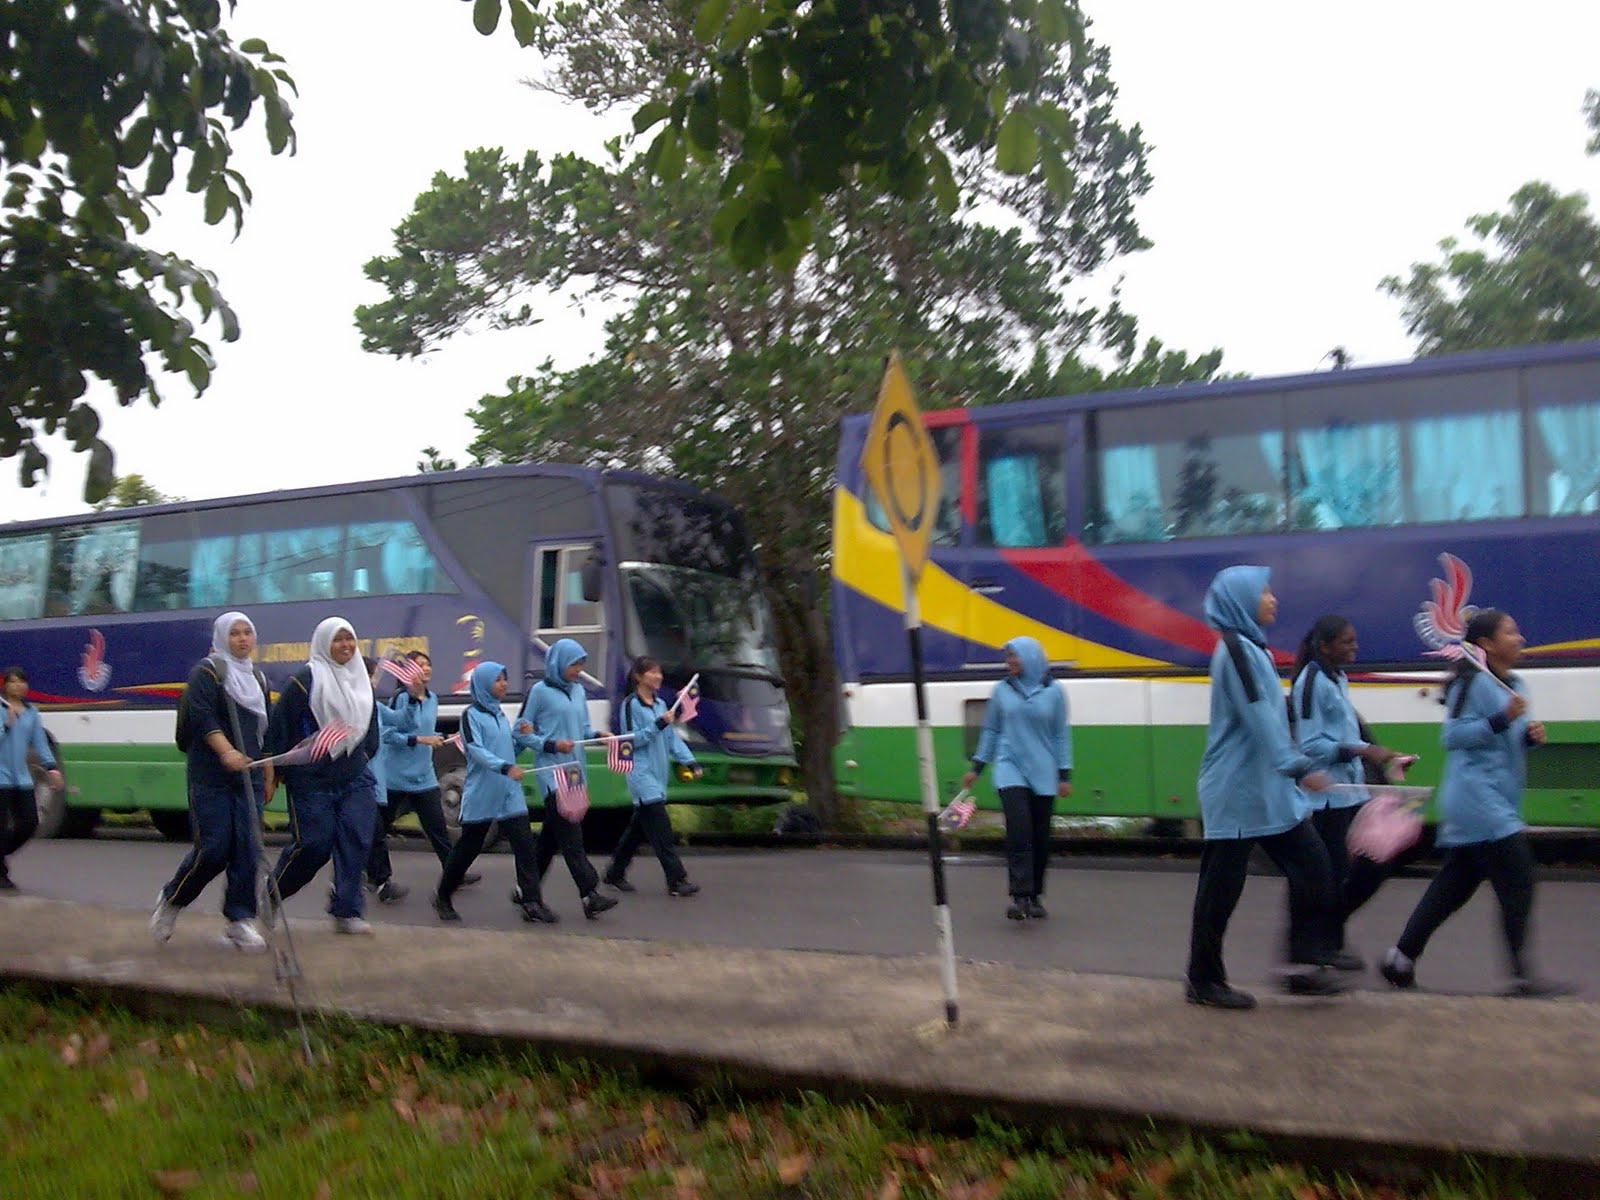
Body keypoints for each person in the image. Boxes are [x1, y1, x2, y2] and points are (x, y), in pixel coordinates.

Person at [1379, 609, 1574, 998]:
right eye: (1511, 632)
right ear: (1486, 644)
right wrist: (1502, 719)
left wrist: (1529, 736)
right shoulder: (1468, 684)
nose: (1519, 638)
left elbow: (1506, 738)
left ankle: (1400, 959)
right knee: (1518, 877)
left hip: (1496, 796)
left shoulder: (1516, 683)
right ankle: (1521, 976)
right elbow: (1453, 737)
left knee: (1454, 886)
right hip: (1476, 798)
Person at [1185, 566, 1344, 1010]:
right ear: (1241, 599)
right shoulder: (1236, 650)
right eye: (1265, 592)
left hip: (1265, 789)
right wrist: (1297, 766)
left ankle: (1303, 964)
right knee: (1220, 890)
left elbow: (1274, 717)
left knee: (1314, 867)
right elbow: (1259, 717)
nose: (1274, 598)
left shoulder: (1252, 649)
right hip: (1237, 790)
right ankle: (1203, 980)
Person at [1289, 615, 1410, 970]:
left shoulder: (1337, 677)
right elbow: (1311, 746)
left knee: (1368, 866)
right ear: (1325, 646)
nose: (1354, 648)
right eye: (1347, 642)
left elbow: (1346, 733)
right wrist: (1360, 751)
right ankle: (1320, 947)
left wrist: (1381, 754)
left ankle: (1329, 941)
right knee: (1330, 874)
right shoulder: (1311, 683)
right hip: (1327, 795)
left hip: (1352, 791)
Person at [149, 614, 273, 949]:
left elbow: (265, 732)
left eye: (248, 632)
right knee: (214, 849)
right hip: (211, 777)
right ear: (222, 637)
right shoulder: (207, 672)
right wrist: (227, 752)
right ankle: (173, 899)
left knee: (248, 848)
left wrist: (270, 775)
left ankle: (239, 919)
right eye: (234, 633)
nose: (243, 639)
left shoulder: (257, 679)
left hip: (248, 778)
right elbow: (203, 718)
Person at [265, 617, 381, 935]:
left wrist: (363, 756)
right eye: (337, 640)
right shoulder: (305, 680)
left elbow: (371, 729)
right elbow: (280, 728)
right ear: (323, 643)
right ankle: (270, 895)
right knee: (313, 846)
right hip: (312, 780)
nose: (345, 646)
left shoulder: (360, 679)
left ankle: (347, 910)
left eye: (349, 639)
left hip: (354, 776)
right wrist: (280, 773)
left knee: (356, 840)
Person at [959, 637, 1071, 921]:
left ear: (1031, 657)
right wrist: (977, 767)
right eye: (1007, 656)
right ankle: (1019, 897)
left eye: (1014, 656)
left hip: (1044, 771)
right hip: (1010, 767)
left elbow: (1061, 735)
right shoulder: (1001, 690)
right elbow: (992, 731)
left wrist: (1064, 773)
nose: (1009, 662)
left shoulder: (1055, 692)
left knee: (1040, 836)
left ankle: (1035, 897)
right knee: (1019, 832)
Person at [431, 662, 547, 922]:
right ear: (483, 684)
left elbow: (508, 749)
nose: (504, 684)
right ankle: (443, 895)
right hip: (483, 792)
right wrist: (504, 767)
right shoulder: (471, 715)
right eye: (498, 680)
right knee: (468, 849)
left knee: (525, 845)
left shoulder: (500, 715)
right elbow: (476, 751)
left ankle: (532, 901)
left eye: (505, 679)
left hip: (509, 792)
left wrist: (526, 738)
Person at [365, 650, 480, 899]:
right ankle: (375, 876)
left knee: (438, 828)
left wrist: (439, 737)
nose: (425, 669)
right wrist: (419, 740)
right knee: (376, 829)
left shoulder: (433, 698)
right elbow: (387, 735)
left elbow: (425, 729)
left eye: (428, 664)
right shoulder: (400, 699)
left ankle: (454, 873)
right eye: (419, 665)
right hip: (396, 776)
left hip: (423, 776)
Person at [520, 638, 618, 920]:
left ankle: (525, 889)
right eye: (574, 664)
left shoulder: (578, 691)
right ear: (558, 662)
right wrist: (551, 745)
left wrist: (598, 736)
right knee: (572, 836)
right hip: (551, 772)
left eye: (581, 664)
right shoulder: (539, 692)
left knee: (551, 837)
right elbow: (523, 732)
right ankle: (590, 895)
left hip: (575, 770)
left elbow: (582, 730)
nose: (578, 670)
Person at [602, 657, 703, 897]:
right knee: (662, 830)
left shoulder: (660, 705)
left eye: (659, 672)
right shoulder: (631, 705)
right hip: (640, 773)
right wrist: (657, 725)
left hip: (658, 775)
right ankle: (676, 880)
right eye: (652, 672)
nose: (658, 677)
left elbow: (671, 740)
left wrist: (688, 760)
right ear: (639, 677)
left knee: (639, 828)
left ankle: (614, 873)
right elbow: (629, 741)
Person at [358, 656, 422, 904]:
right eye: (373, 675)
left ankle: (368, 880)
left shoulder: (376, 706)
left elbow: (403, 722)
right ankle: (380, 881)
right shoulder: (354, 705)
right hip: (360, 782)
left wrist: (414, 698)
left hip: (376, 783)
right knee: (372, 834)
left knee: (370, 834)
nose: (376, 681)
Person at [0, 666, 64, 891]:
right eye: (13, 682)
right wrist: (6, 724)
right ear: (5, 686)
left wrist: (52, 768)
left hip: (21, 776)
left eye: (22, 681)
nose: (19, 686)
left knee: (29, 823)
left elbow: (40, 742)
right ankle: (1, 873)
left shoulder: (31, 712)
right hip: (1, 777)